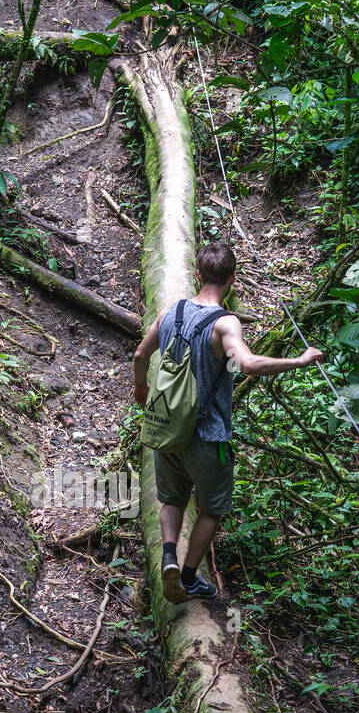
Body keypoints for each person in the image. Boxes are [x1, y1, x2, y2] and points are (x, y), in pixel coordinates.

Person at [133, 242, 324, 603]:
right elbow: (248, 364)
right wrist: (300, 361)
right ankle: (188, 578)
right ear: (233, 280)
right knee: (213, 508)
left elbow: (141, 353)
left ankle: (169, 556)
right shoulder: (225, 323)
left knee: (172, 499)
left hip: (167, 427)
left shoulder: (171, 312)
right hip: (207, 436)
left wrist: (141, 387)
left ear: (198, 275)